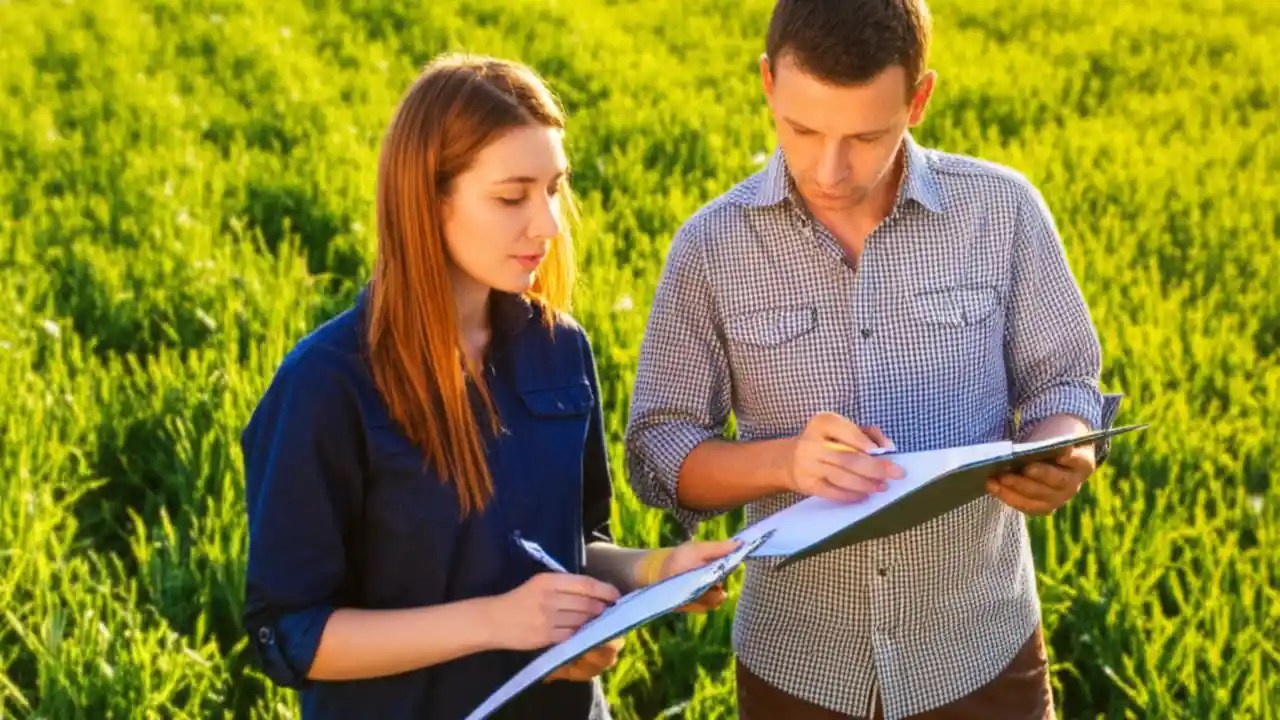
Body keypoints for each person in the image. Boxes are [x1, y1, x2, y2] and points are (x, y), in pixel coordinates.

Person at [624, 2, 1122, 719]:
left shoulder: (1002, 211)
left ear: (918, 100)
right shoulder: (710, 248)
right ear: (768, 83)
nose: (830, 168)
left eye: (865, 134)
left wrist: (1060, 453)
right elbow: (658, 453)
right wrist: (785, 463)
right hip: (799, 666)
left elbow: (1063, 382)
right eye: (801, 129)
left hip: (979, 651)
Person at [240, 53, 738, 720]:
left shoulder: (561, 349)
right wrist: (496, 622)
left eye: (554, 188)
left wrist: (654, 574)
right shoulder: (326, 386)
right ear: (429, 199)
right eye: (511, 197)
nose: (549, 225)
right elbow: (289, 634)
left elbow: (576, 548)